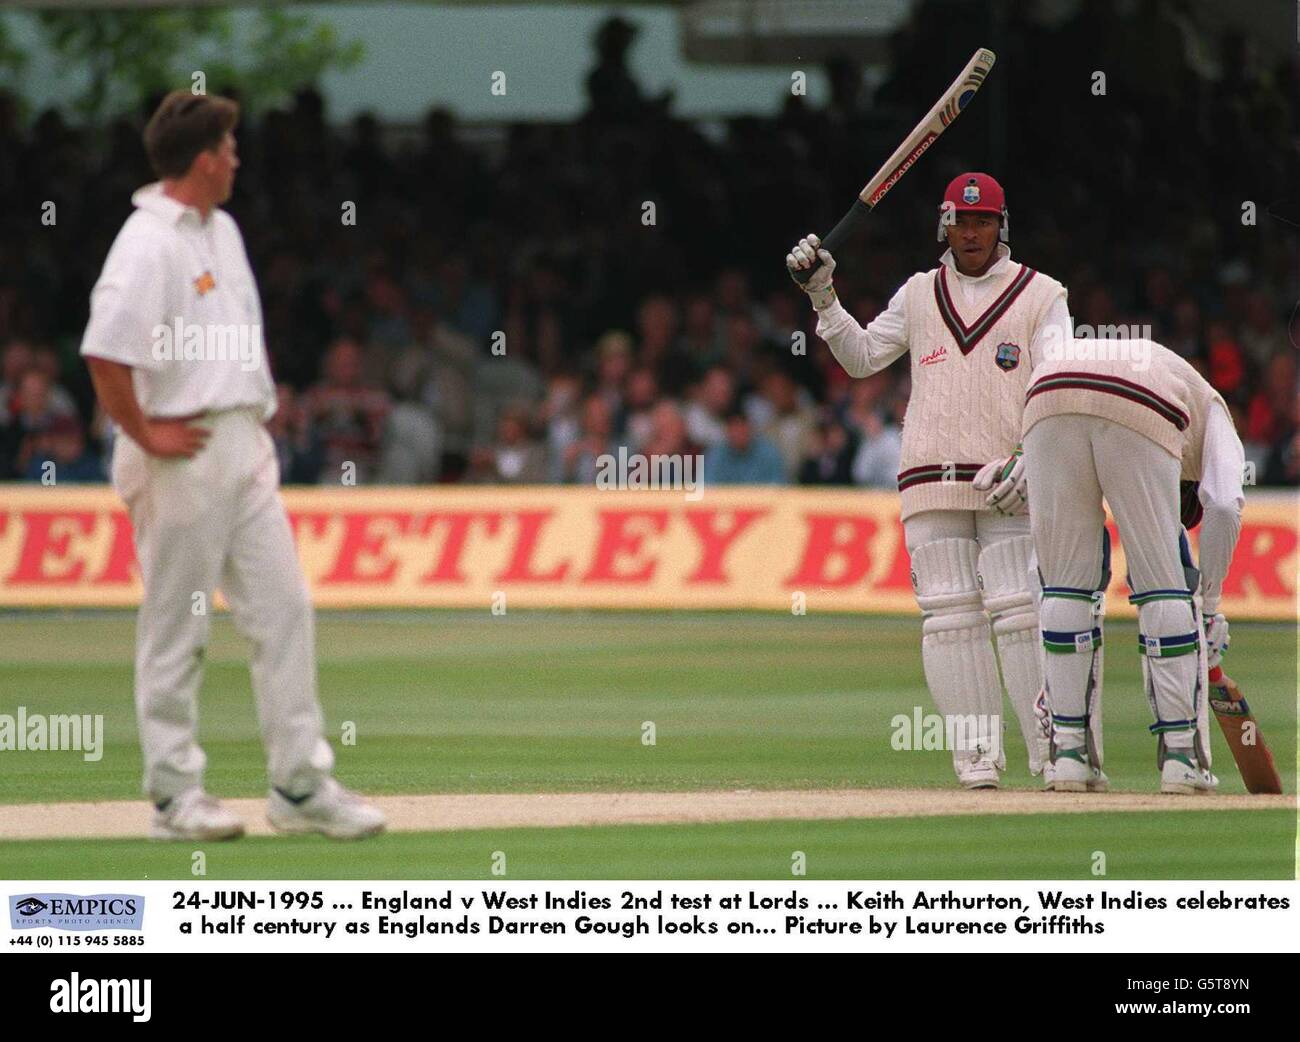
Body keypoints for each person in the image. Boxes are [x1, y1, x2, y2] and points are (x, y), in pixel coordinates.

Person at [80, 91, 385, 841]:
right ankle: (173, 796)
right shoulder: (145, 243)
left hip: (242, 445)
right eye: (230, 146)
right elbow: (105, 353)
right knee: (176, 626)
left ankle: (298, 784)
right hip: (181, 456)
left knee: (283, 608)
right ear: (204, 159)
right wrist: (147, 435)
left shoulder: (224, 230)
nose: (238, 158)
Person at [787, 173, 1072, 789]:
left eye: (983, 221)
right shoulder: (919, 294)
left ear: (1003, 225)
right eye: (961, 221)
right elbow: (862, 358)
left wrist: (1032, 454)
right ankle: (976, 760)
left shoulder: (1042, 295)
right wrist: (823, 296)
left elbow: (1058, 378)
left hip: (1011, 477)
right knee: (949, 617)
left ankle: (1053, 755)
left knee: (1020, 612)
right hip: (928, 476)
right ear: (945, 224)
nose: (971, 233)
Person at [1021, 338, 1244, 794]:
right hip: (1139, 398)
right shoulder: (1213, 407)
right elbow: (1223, 504)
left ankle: (1068, 756)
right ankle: (1182, 760)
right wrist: (1207, 606)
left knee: (1066, 585)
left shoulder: (1161, 369)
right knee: (1164, 582)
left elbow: (1039, 569)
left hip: (1044, 393)